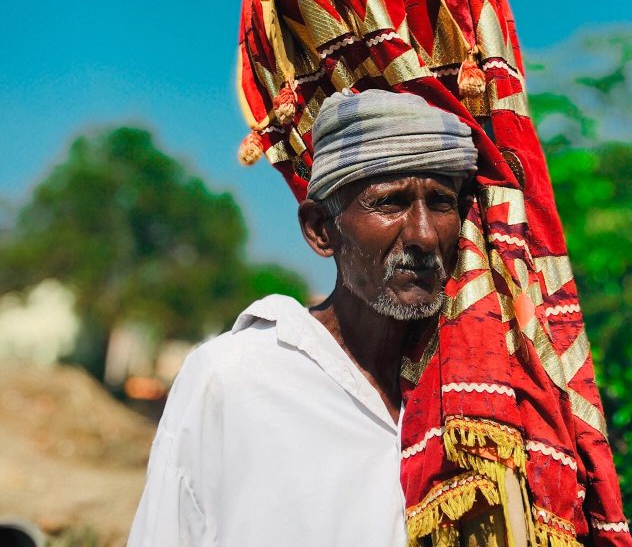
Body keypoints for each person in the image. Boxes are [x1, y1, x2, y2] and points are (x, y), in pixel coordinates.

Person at [127, 89, 477, 547]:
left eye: (440, 203)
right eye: (390, 203)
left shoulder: (475, 393)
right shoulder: (233, 377)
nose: (424, 236)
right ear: (319, 230)